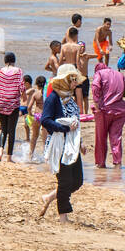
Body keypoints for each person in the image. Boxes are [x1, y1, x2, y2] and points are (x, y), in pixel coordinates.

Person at [38, 65, 85, 222]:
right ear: (64, 80)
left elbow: (76, 123)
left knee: (77, 181)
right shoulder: (53, 98)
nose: (75, 83)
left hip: (72, 144)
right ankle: (63, 217)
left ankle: (50, 197)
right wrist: (63, 128)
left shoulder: (70, 99)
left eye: (75, 80)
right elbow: (45, 120)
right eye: (72, 80)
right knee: (65, 181)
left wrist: (81, 142)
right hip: (59, 145)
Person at [89, 57, 125, 168]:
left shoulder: (99, 73)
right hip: (120, 111)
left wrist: (96, 102)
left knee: (101, 138)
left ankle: (100, 163)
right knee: (116, 138)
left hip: (103, 110)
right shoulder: (119, 75)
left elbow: (95, 86)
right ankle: (117, 163)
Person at [0, 52, 25, 163]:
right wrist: (24, 96)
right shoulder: (18, 71)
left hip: (1, 103)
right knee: (11, 131)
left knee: (3, 129)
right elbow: (21, 86)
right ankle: (9, 157)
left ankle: (0, 151)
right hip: (13, 104)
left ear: (5, 61)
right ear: (14, 61)